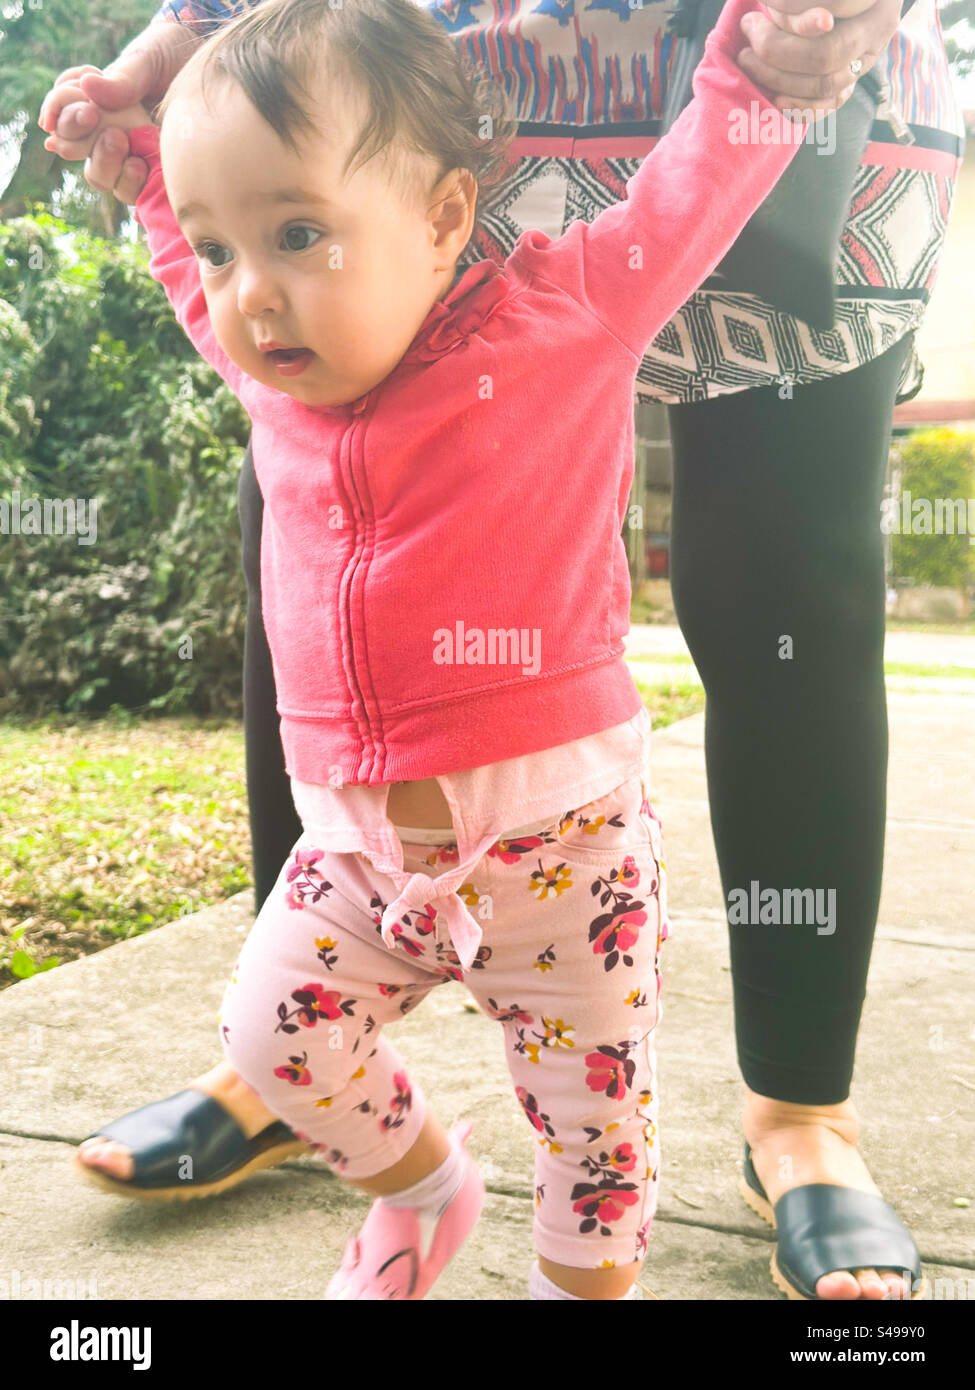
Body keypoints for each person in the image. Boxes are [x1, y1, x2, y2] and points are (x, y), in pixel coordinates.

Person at [39, 0, 961, 1300]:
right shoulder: (273, 370)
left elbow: (685, 202)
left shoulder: (565, 316)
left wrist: (764, 70)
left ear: (442, 220)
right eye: (227, 249)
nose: (251, 295)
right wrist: (146, 165)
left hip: (560, 874)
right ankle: (424, 1187)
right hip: (358, 860)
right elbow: (198, 281)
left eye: (296, 237)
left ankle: (790, 1123)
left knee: (593, 1164)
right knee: (271, 1032)